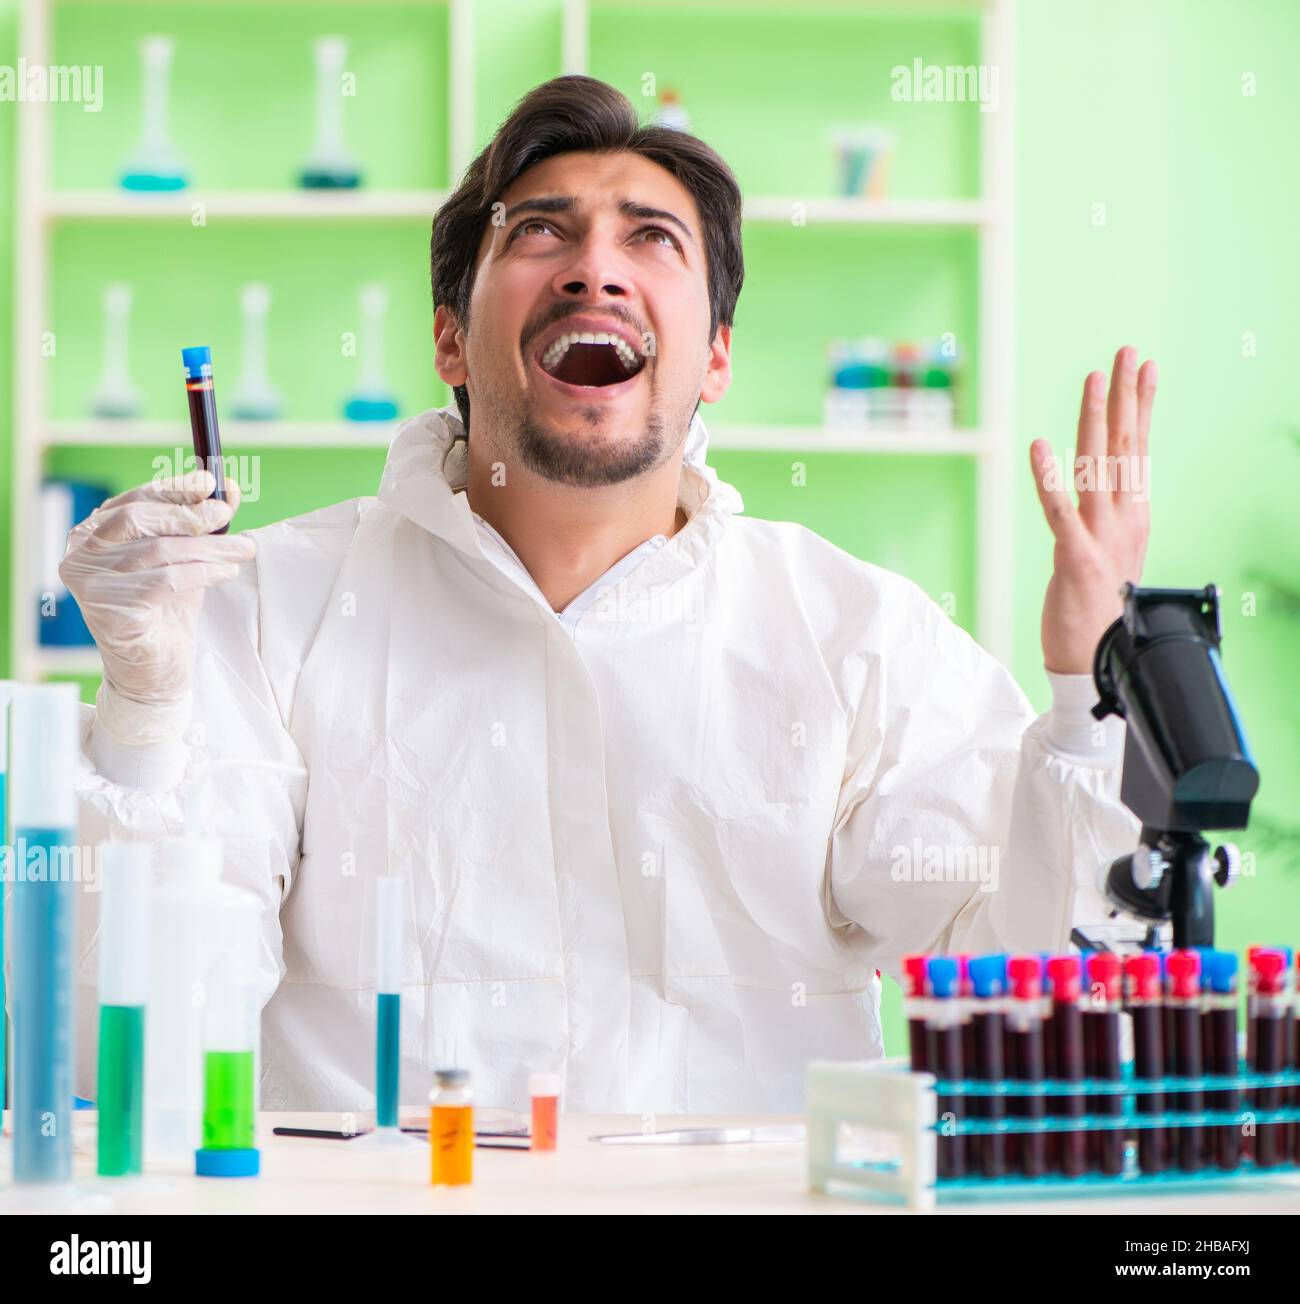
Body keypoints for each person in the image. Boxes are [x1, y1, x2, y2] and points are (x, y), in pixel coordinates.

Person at [63, 76, 1157, 1114]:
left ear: (716, 355)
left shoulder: (851, 633)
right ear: (449, 334)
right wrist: (145, 721)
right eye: (538, 229)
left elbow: (1040, 1018)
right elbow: (138, 1065)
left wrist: (1083, 702)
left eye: (652, 237)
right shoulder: (270, 611)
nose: (595, 267)